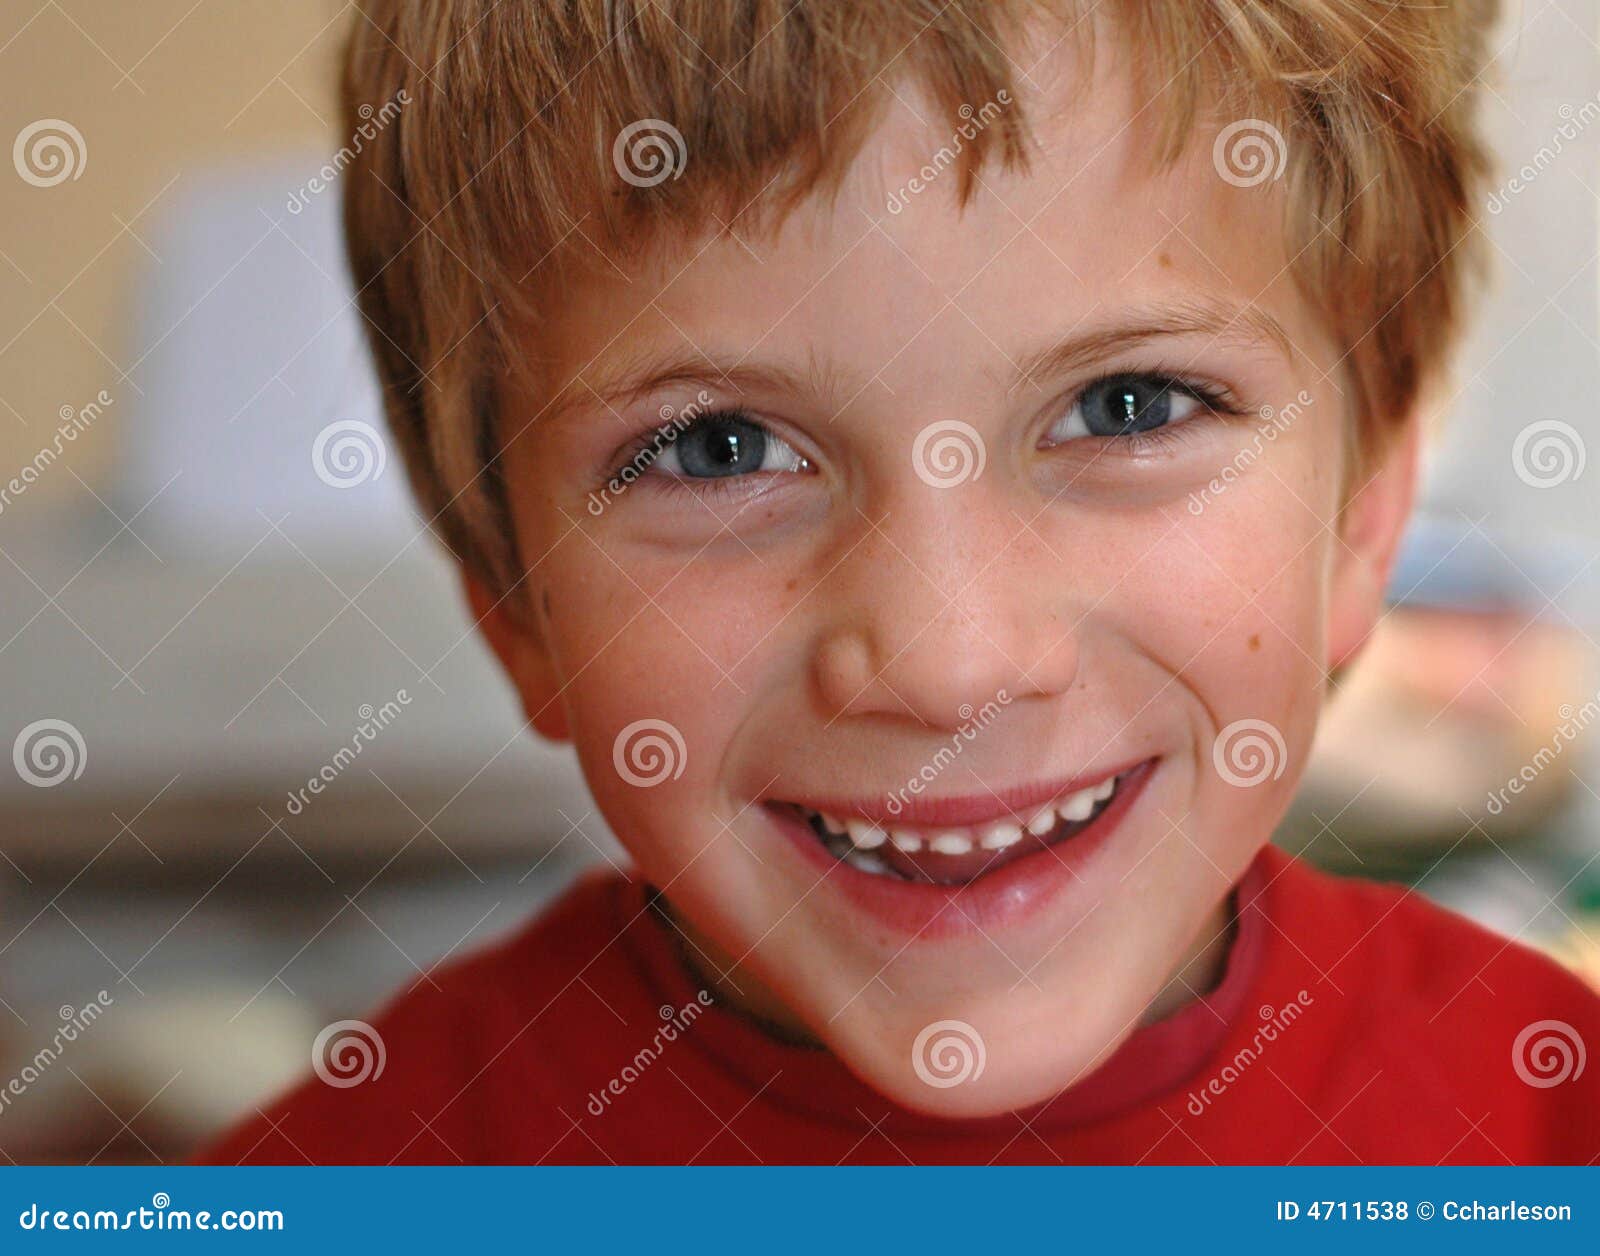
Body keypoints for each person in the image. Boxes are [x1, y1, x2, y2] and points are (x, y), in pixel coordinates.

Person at [203, 0, 1600, 1164]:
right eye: (717, 447)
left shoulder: (1550, 1115)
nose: (951, 664)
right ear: (508, 590)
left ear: (1362, 515)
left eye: (1125, 406)